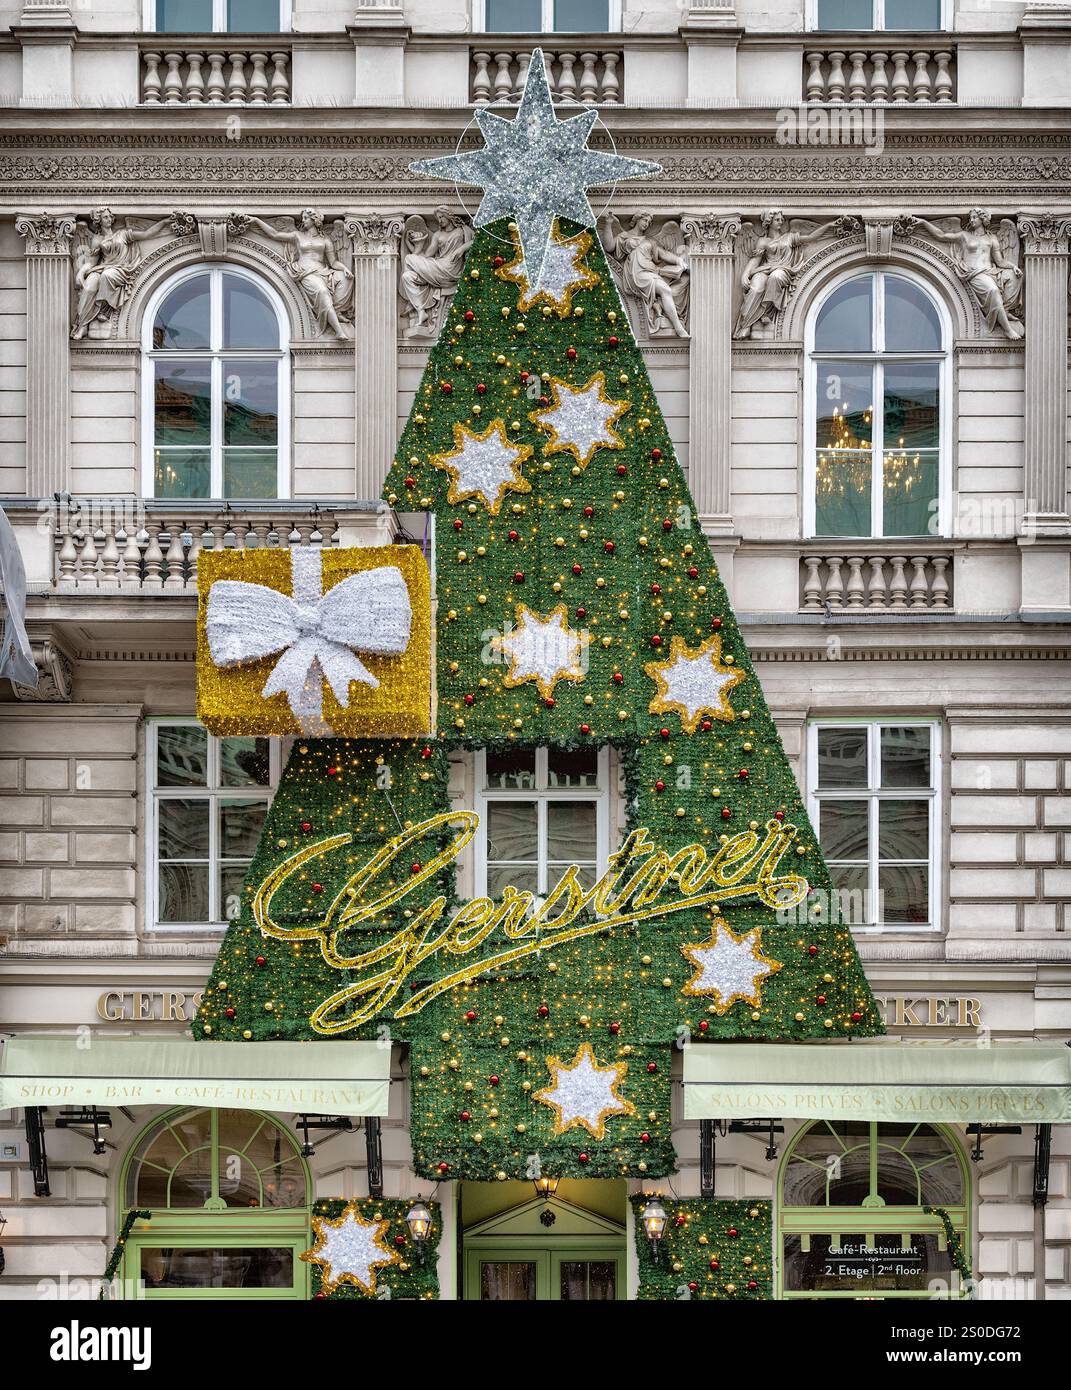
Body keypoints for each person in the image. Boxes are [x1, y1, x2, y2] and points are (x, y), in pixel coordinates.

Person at [246, 209, 353, 339]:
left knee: (346, 279)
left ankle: (335, 310)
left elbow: (334, 262)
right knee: (322, 291)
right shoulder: (297, 235)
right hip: (306, 272)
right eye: (303, 218)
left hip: (322, 271)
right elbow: (275, 234)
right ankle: (338, 331)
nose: (303, 220)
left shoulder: (325, 240)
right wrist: (257, 220)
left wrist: (344, 269)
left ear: (314, 220)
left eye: (306, 218)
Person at [72, 207, 173, 340]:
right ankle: (83, 325)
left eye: (110, 217)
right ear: (99, 221)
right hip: (103, 267)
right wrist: (82, 273)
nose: (109, 219)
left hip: (121, 268)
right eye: (105, 217)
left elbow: (147, 234)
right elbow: (91, 262)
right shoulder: (97, 240)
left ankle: (105, 311)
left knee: (107, 276)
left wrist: (164, 222)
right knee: (89, 286)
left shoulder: (123, 234)